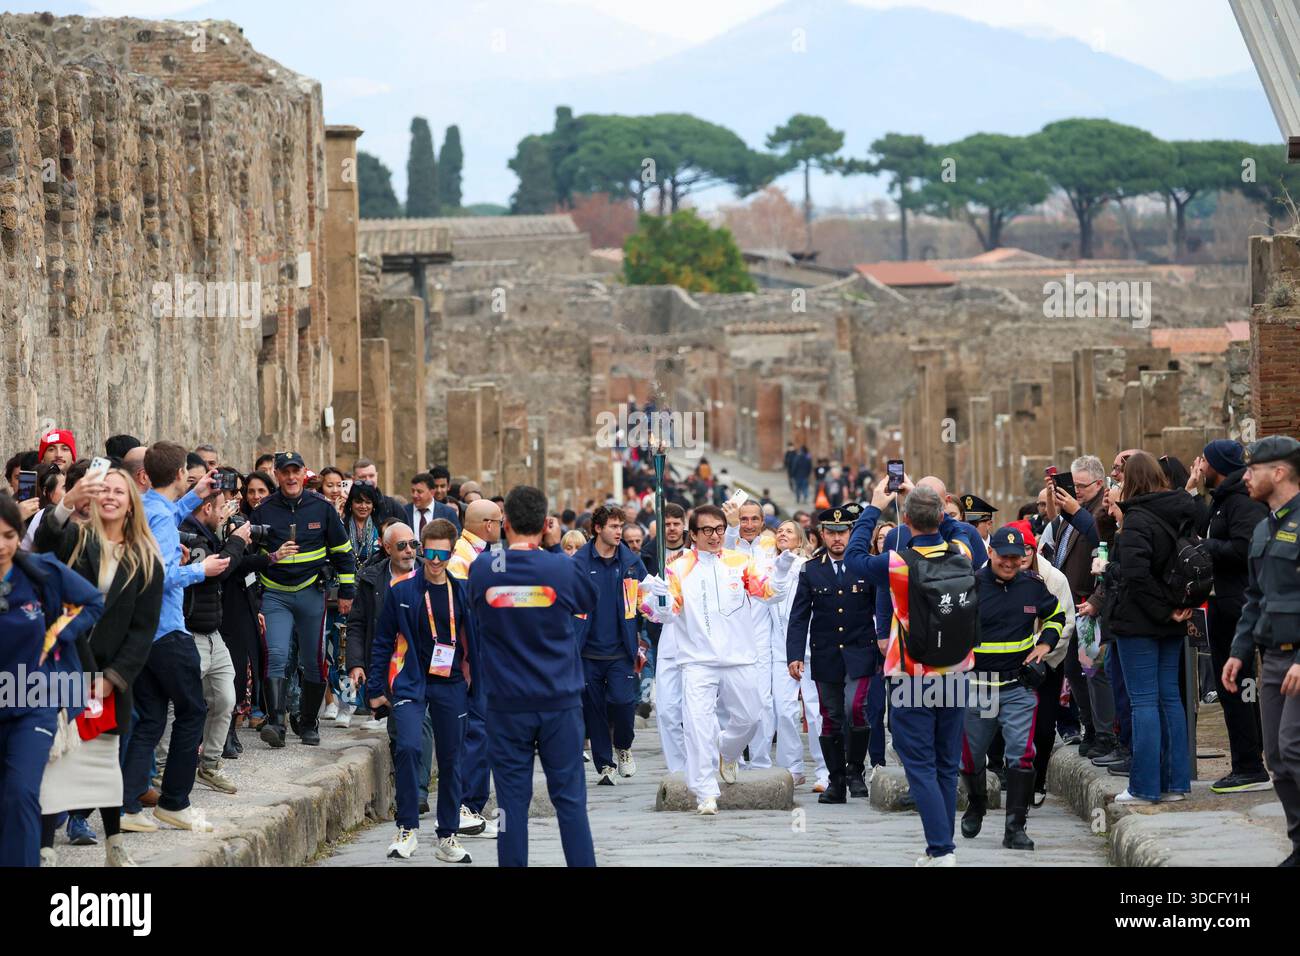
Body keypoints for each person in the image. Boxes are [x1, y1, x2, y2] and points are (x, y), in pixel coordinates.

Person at [33, 467, 163, 866]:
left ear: (130, 502)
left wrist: (114, 678)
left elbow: (143, 631)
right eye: (104, 490)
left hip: (107, 676)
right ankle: (45, 847)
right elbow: (43, 546)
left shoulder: (147, 560)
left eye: (119, 492)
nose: (110, 497)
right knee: (56, 759)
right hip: (63, 665)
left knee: (105, 763)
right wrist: (67, 503)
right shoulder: (75, 538)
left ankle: (115, 846)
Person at [466, 485, 598, 867]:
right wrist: (555, 549)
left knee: (510, 807)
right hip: (559, 702)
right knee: (571, 802)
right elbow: (588, 600)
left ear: (504, 524)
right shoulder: (562, 566)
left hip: (507, 705)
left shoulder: (486, 567)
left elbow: (477, 603)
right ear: (545, 525)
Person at [846, 479, 976, 866]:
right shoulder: (962, 552)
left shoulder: (898, 562)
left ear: (911, 524)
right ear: (940, 515)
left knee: (918, 764)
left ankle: (942, 850)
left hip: (911, 674)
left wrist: (873, 507)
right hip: (955, 672)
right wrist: (921, 493)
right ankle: (940, 848)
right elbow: (956, 528)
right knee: (946, 764)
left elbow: (854, 557)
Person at [643, 505, 796, 815]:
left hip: (739, 657)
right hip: (697, 660)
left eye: (720, 529)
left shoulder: (742, 563)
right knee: (697, 725)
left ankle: (727, 750)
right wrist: (658, 598)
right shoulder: (679, 568)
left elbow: (768, 593)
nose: (714, 536)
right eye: (707, 531)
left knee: (751, 717)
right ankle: (705, 792)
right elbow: (666, 615)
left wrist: (780, 572)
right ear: (694, 535)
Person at [121, 442, 226, 834]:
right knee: (192, 711)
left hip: (144, 634)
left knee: (150, 718)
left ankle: (128, 806)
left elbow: (166, 514)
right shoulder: (161, 518)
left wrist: (193, 499)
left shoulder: (148, 506)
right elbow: (161, 576)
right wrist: (204, 569)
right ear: (181, 472)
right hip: (167, 630)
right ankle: (174, 802)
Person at [0, 494, 105, 867]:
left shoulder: (40, 571)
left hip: (35, 702)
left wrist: (60, 630)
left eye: (9, 535)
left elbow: (93, 602)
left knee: (21, 792)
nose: (2, 545)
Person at [370, 519, 473, 863]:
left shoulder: (461, 592)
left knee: (450, 758)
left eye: (442, 553)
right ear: (420, 549)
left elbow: (477, 643)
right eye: (428, 551)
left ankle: (448, 834)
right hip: (412, 681)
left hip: (451, 682)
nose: (434, 559)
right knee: (409, 746)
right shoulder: (402, 592)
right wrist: (374, 688)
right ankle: (407, 828)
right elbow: (382, 640)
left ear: (451, 552)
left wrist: (483, 688)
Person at [961, 525, 1065, 851]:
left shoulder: (1033, 586)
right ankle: (977, 803)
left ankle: (1015, 827)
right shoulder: (970, 586)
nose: (1009, 563)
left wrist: (1045, 646)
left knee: (1021, 755)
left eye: (1016, 558)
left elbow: (1057, 616)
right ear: (990, 553)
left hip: (1018, 687)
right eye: (1003, 557)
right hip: (978, 687)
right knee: (970, 759)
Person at [1223, 435, 1300, 866]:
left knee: (1293, 748)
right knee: (1275, 757)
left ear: (1281, 472)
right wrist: (1238, 651)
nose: (1246, 477)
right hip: (1271, 658)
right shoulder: (1263, 527)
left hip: (1298, 660)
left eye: (1253, 470)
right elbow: (1255, 599)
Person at [1104, 452, 1195, 805]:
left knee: (1143, 701)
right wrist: (1173, 609)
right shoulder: (1180, 510)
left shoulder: (1138, 519)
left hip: (1141, 622)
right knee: (1169, 698)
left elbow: (1135, 575)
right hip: (1172, 618)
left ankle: (1144, 786)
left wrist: (1164, 611)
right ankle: (1175, 783)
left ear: (1132, 482)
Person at [252, 451, 357, 748]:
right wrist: (271, 558)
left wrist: (347, 592)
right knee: (277, 655)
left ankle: (309, 723)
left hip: (312, 593)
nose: (290, 477)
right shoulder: (263, 511)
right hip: (275, 595)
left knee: (313, 660)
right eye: (284, 472)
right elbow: (252, 557)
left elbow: (343, 553)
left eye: (295, 471)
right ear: (277, 475)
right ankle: (276, 723)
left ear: (303, 473)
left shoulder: (321, 508)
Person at [1187, 440, 1272, 794]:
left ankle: (1250, 765)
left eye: (1203, 459)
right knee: (1232, 687)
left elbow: (1243, 549)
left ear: (1218, 465)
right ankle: (1250, 759)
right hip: (1223, 606)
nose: (1198, 464)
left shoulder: (1239, 502)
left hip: (1238, 606)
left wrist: (1205, 547)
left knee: (1238, 685)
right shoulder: (1222, 500)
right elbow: (1201, 528)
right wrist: (1192, 493)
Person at [787, 504, 880, 802]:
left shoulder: (865, 566)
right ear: (822, 535)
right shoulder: (811, 570)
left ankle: (855, 770)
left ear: (852, 534)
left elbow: (883, 608)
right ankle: (835, 780)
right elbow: (799, 616)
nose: (837, 538)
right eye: (831, 533)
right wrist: (794, 654)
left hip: (861, 652)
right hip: (826, 654)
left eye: (843, 532)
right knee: (830, 717)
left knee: (855, 708)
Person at [1042, 455, 1118, 761]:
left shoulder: (1102, 509)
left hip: (1091, 603)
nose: (1076, 491)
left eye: (1081, 486)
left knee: (1093, 669)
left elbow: (1104, 541)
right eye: (1072, 485)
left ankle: (1105, 735)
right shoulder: (1075, 510)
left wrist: (1075, 512)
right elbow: (1054, 535)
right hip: (1071, 603)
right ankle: (1089, 727)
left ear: (1098, 484)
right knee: (1073, 669)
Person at [179, 485, 253, 794]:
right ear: (207, 508)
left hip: (213, 633)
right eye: (222, 508)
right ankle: (159, 773)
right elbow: (217, 571)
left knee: (225, 699)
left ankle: (209, 765)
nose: (225, 514)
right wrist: (237, 542)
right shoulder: (189, 534)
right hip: (191, 632)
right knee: (182, 707)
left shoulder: (209, 535)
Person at [572, 506, 648, 786]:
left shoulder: (630, 562)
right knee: (594, 709)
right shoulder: (579, 562)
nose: (619, 532)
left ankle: (624, 746)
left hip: (620, 649)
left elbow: (644, 600)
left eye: (621, 526)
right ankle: (605, 764)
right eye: (614, 526)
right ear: (597, 529)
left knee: (623, 702)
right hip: (587, 651)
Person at [446, 499, 503, 838]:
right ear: (486, 525)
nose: (500, 526)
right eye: (498, 521)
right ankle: (466, 805)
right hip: (473, 659)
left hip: (484, 656)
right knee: (476, 733)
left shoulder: (479, 555)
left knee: (483, 732)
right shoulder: (462, 560)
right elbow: (463, 616)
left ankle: (474, 805)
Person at [770, 519, 828, 790]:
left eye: (789, 531)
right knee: (784, 710)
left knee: (816, 713)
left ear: (801, 540)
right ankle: (792, 767)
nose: (782, 533)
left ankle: (824, 769)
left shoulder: (810, 568)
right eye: (779, 530)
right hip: (780, 649)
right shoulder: (770, 568)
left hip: (809, 649)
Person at [639, 502, 690, 774]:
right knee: (667, 708)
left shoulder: (695, 551)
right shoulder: (649, 553)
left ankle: (707, 757)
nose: (671, 529)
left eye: (676, 523)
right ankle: (678, 770)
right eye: (666, 524)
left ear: (684, 524)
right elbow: (641, 594)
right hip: (664, 634)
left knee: (696, 707)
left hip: (696, 634)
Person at [408, 471, 460, 537]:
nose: (415, 495)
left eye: (419, 492)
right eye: (413, 491)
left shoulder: (448, 513)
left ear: (432, 492)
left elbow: (456, 538)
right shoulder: (404, 512)